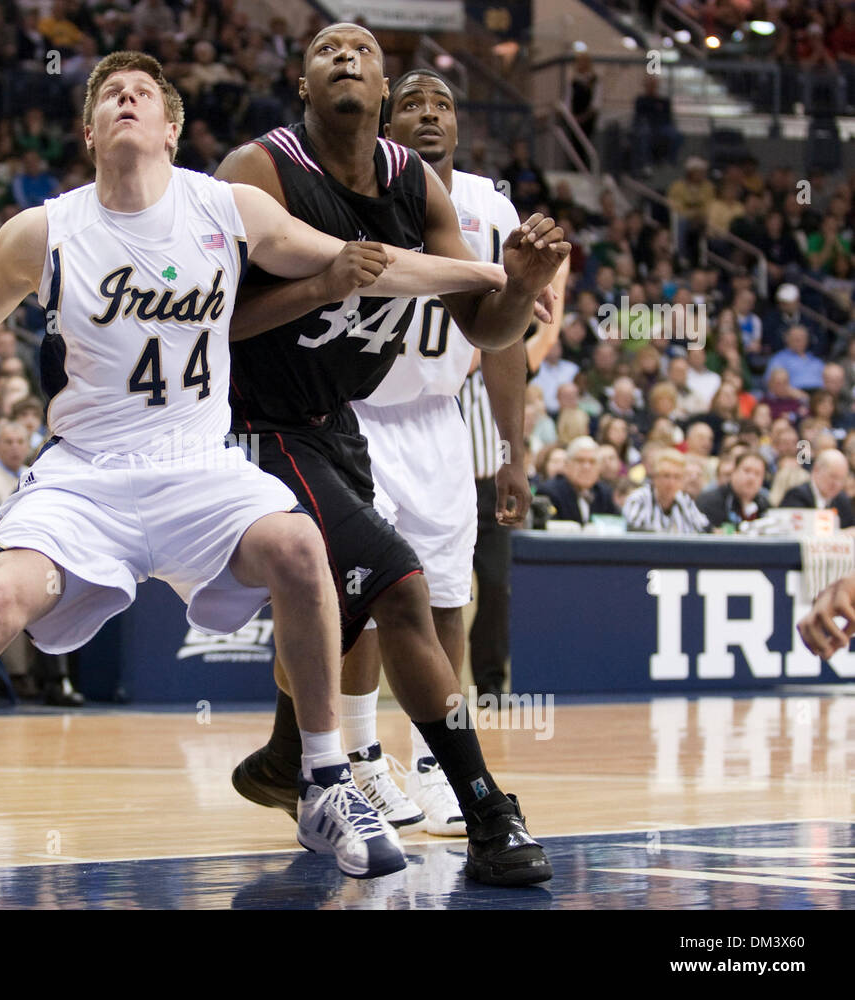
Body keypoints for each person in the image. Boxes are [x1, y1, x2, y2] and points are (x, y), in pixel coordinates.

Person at [0, 51, 514, 906]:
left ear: (170, 130)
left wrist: (492, 275)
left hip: (199, 471)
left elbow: (371, 261)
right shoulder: (43, 232)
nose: (126, 103)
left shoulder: (226, 206)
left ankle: (324, 783)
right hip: (89, 475)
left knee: (298, 544)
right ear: (90, 131)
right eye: (109, 97)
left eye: (143, 95)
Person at [217, 24, 562, 887]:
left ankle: (288, 756)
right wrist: (322, 284)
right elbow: (213, 325)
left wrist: (515, 284)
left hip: (336, 424)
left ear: (379, 89)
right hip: (255, 423)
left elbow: (483, 327)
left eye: (362, 51)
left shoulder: (418, 187)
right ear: (302, 84)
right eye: (326, 47)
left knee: (348, 609)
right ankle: (484, 809)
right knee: (401, 587)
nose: (344, 56)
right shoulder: (257, 170)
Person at [332, 69, 560, 832]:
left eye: (444, 105)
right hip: (354, 410)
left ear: (460, 127)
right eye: (413, 104)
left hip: (437, 418)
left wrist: (512, 452)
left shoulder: (490, 209)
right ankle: (361, 759)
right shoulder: (356, 188)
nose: (429, 114)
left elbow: (503, 341)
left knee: (446, 596)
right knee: (367, 598)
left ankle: (434, 766)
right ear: (386, 123)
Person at [622, 448, 711, 534]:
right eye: (666, 476)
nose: (671, 483)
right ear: (655, 478)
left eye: (677, 477)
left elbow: (704, 528)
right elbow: (633, 530)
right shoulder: (638, 499)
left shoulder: (684, 500)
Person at [538, 436, 618, 524]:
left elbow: (616, 524)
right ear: (567, 465)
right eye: (580, 461)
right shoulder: (550, 492)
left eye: (592, 462)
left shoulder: (604, 494)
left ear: (599, 468)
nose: (586, 467)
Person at [780, 448, 855, 528]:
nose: (836, 484)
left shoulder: (842, 499)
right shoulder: (796, 496)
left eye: (841, 479)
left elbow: (850, 527)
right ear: (816, 470)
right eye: (833, 477)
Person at [695, 450, 771, 529]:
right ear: (734, 472)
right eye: (747, 471)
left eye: (757, 473)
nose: (751, 478)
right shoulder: (710, 502)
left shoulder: (764, 505)